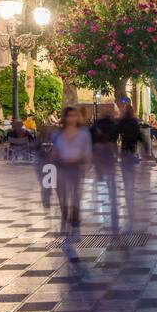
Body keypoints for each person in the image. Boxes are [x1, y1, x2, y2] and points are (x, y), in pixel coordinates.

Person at [48, 107, 92, 253]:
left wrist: (87, 167)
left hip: (76, 168)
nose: (72, 119)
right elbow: (53, 152)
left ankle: (74, 226)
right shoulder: (57, 134)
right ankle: (65, 222)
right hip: (61, 168)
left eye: (75, 116)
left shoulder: (83, 134)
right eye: (69, 116)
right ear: (65, 118)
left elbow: (87, 153)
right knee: (63, 199)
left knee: (75, 199)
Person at [90, 109, 120, 231]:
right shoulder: (112, 125)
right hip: (108, 156)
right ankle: (113, 201)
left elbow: (90, 135)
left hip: (99, 155)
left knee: (103, 173)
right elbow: (115, 138)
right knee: (111, 181)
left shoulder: (96, 124)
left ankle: (101, 176)